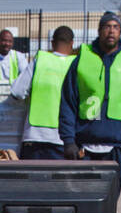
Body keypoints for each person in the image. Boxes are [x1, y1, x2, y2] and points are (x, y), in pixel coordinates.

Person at [59, 11, 121, 185]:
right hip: (86, 147)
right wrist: (68, 140)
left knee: (110, 202)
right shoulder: (81, 61)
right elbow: (68, 102)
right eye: (107, 27)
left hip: (118, 147)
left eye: (115, 27)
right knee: (87, 203)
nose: (111, 31)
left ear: (120, 32)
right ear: (99, 30)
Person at [10, 26, 76, 160]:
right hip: (64, 140)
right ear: (72, 44)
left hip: (34, 137)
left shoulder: (40, 61)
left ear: (52, 43)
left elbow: (17, 91)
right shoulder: (76, 64)